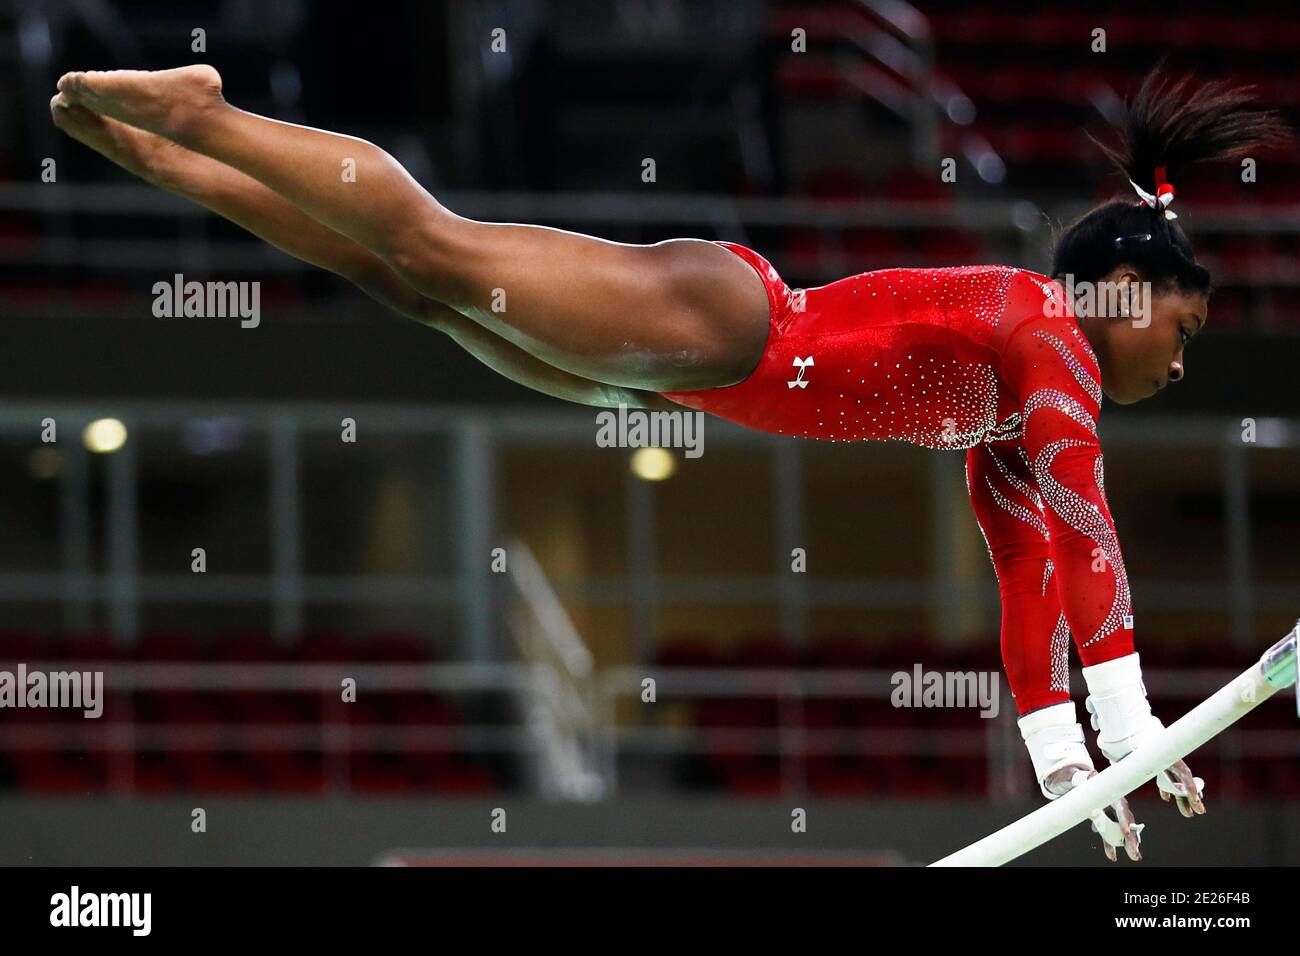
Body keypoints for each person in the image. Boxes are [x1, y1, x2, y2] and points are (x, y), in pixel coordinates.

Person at [50, 61, 1289, 861]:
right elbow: (1091, 526)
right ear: (1125, 288)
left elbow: (1036, 574)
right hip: (727, 322)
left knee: (409, 290)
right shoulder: (1048, 334)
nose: (1180, 362)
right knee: (433, 247)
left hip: (677, 372)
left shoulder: (1022, 417)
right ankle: (208, 111)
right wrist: (1137, 724)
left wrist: (1073, 767)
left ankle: (178, 161)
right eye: (1182, 330)